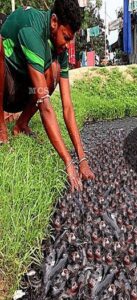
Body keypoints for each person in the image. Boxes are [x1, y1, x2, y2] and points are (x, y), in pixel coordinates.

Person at [0, 0, 95, 191]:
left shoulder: (60, 50)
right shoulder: (32, 29)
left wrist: (82, 158)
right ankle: (1, 127)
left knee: (54, 70)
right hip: (6, 86)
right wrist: (68, 161)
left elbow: (67, 107)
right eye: (66, 37)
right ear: (54, 22)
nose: (68, 45)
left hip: (24, 90)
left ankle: (21, 125)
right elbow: (45, 107)